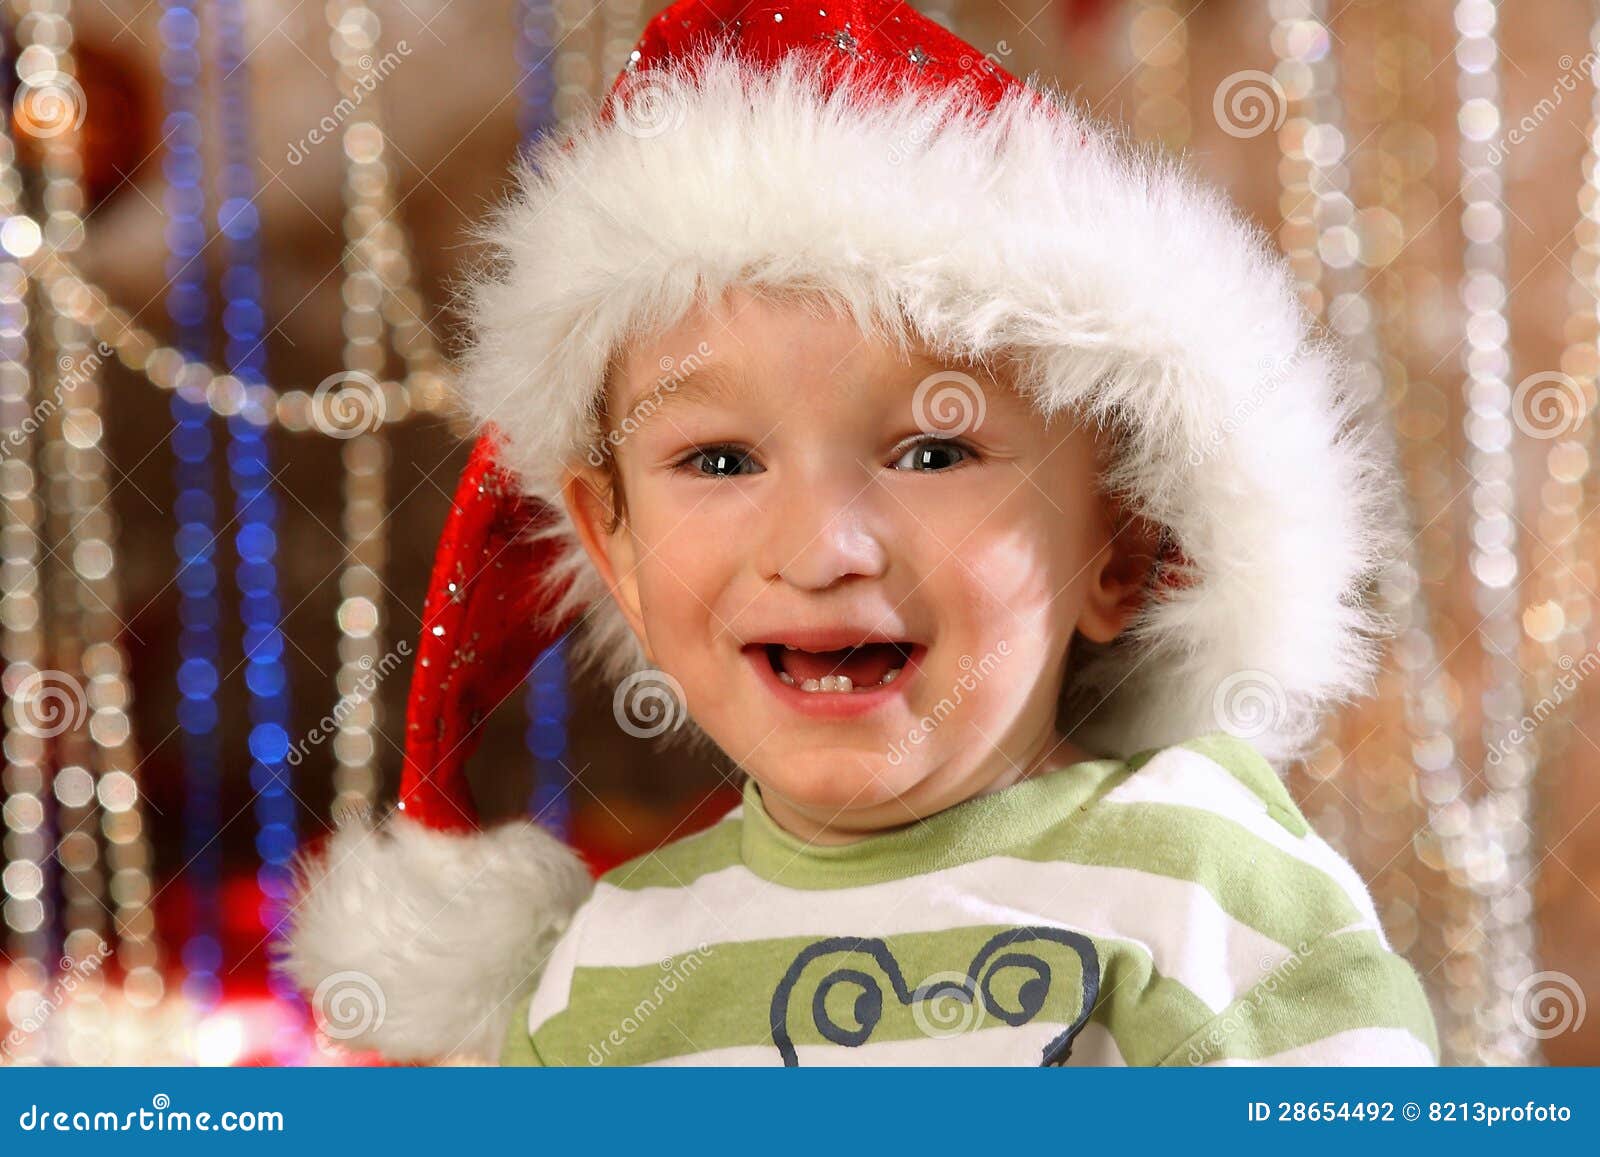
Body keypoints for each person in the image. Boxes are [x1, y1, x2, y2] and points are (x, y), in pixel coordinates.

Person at [283, 0, 1437, 1067]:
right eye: (720, 459)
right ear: (615, 546)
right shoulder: (605, 972)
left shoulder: (1200, 881)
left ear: (1120, 547)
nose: (824, 548)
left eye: (933, 452)